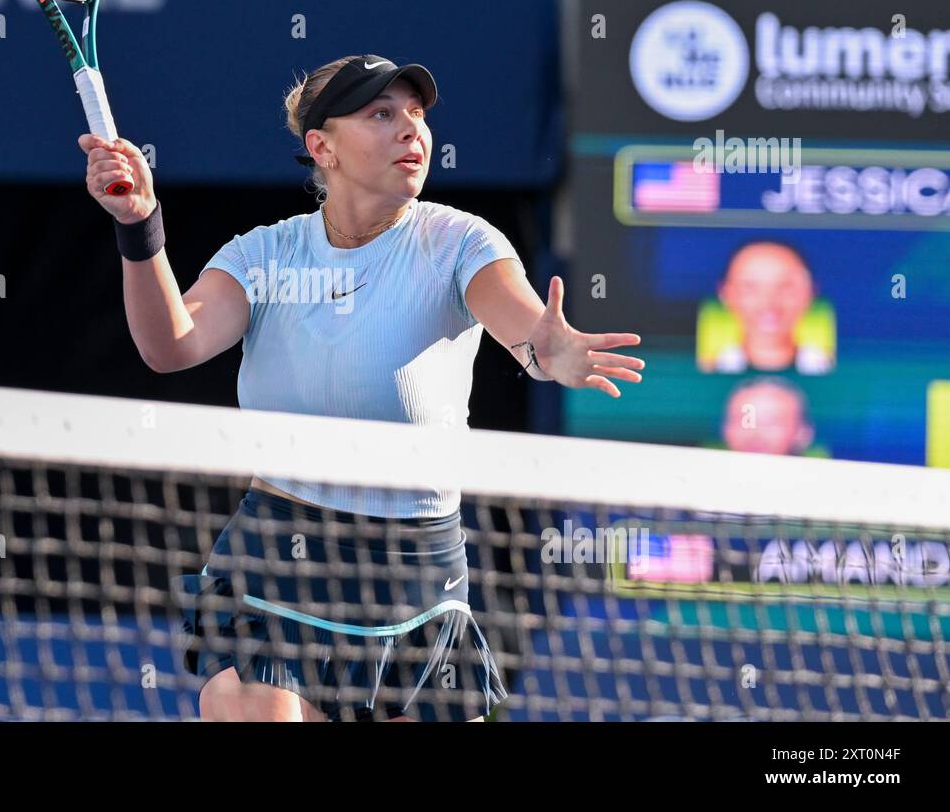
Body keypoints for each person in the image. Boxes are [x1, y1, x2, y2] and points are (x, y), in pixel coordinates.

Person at [80, 54, 645, 721]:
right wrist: (139, 225)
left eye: (418, 114)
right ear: (322, 146)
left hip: (417, 572)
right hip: (280, 555)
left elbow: (526, 328)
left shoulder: (460, 242)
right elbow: (171, 344)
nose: (412, 130)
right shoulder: (263, 255)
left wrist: (550, 350)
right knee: (248, 702)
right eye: (382, 113)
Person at [709, 241, 833, 375]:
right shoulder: (708, 374)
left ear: (811, 292)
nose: (768, 303)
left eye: (785, 286)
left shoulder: (835, 373)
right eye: (750, 287)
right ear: (725, 293)